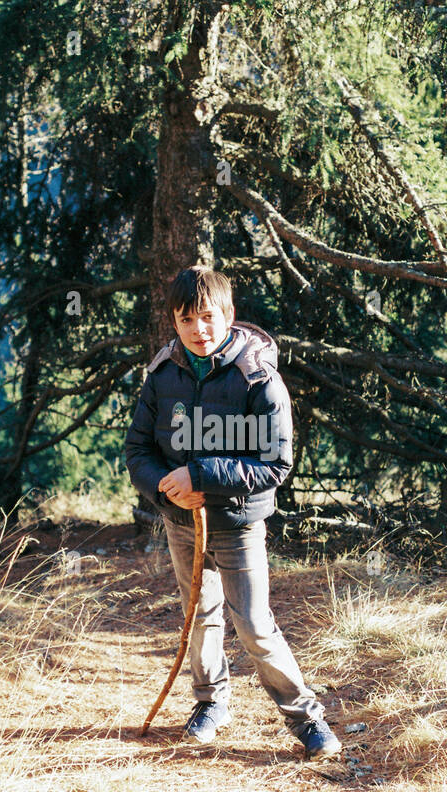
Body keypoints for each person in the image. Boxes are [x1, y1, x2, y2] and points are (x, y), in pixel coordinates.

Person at [124, 264, 341, 759]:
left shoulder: (258, 377)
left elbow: (275, 463)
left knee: (253, 624)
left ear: (229, 315)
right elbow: (138, 448)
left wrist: (199, 476)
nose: (198, 330)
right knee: (199, 616)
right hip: (182, 524)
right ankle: (210, 703)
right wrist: (165, 487)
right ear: (173, 322)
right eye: (185, 320)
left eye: (207, 317)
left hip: (239, 525)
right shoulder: (163, 374)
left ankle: (306, 718)